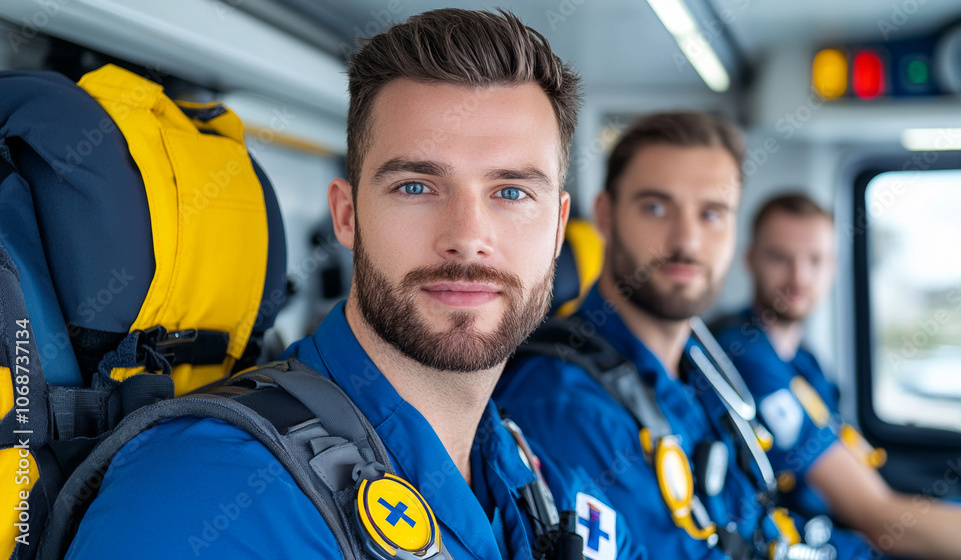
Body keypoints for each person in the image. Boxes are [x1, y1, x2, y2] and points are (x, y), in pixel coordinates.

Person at [64, 9, 640, 560]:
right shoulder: (208, 494)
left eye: (511, 192)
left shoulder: (529, 475)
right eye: (416, 186)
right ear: (346, 215)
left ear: (559, 227)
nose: (468, 237)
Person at [496, 111, 874, 559]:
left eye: (712, 213)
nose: (688, 240)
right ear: (607, 216)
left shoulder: (702, 368)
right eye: (656, 208)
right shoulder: (564, 403)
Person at [712, 193, 961, 559]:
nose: (799, 276)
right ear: (750, 260)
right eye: (780, 258)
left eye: (814, 260)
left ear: (832, 266)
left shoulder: (804, 361)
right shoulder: (745, 354)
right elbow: (876, 516)